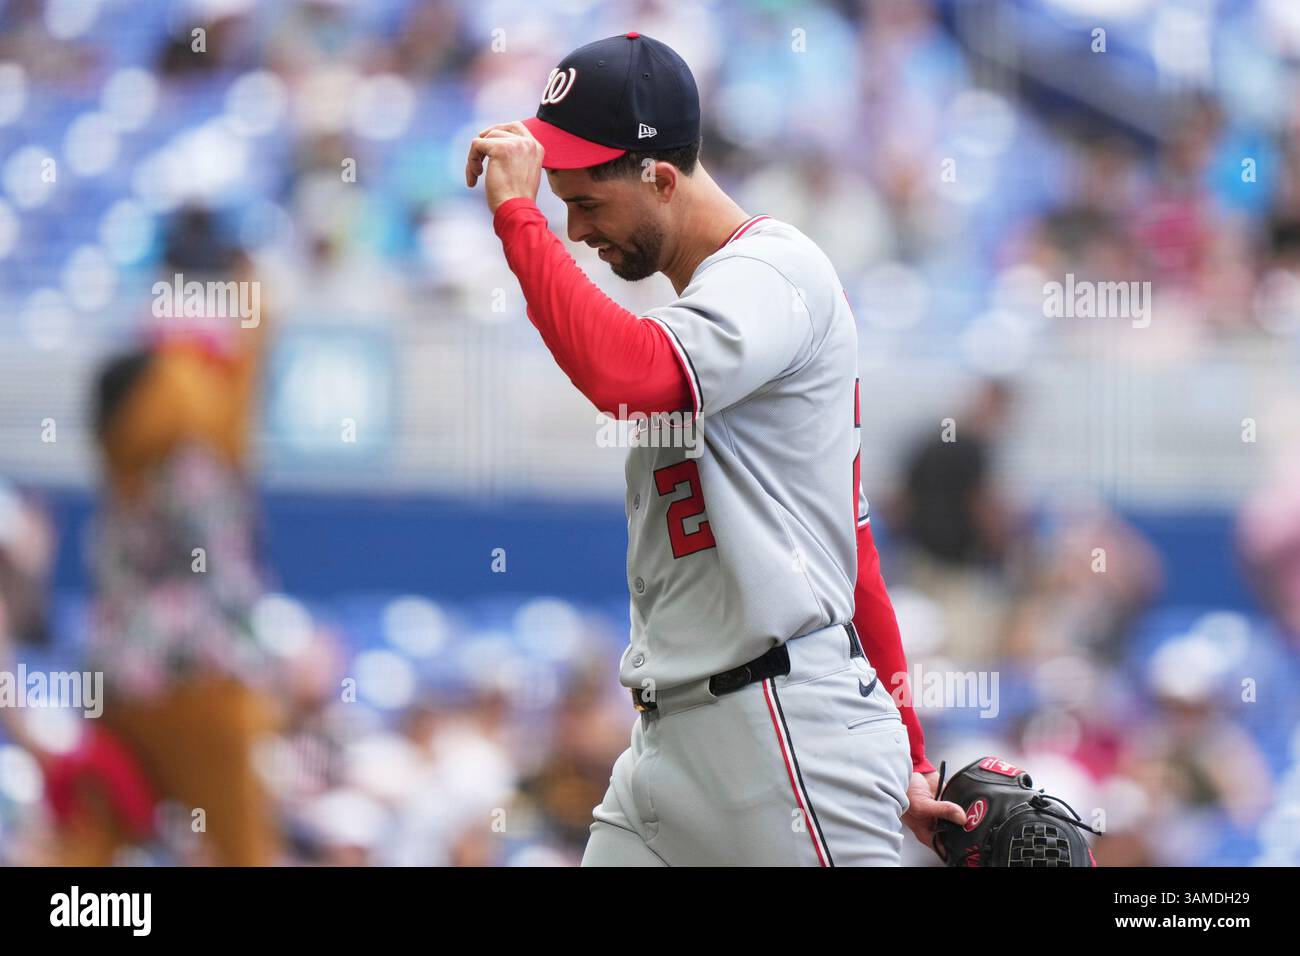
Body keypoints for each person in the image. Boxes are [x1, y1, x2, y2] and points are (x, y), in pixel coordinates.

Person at [467, 33, 963, 865]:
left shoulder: (775, 272)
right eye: (560, 206)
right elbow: (855, 553)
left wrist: (519, 222)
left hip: (784, 737)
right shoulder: (709, 305)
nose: (576, 229)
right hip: (671, 741)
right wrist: (913, 757)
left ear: (660, 176)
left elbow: (629, 378)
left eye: (587, 202)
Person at [65, 240, 280, 866]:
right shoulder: (194, 465)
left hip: (117, 675)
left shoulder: (124, 469)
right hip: (199, 676)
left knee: (95, 840)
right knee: (241, 846)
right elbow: (223, 577)